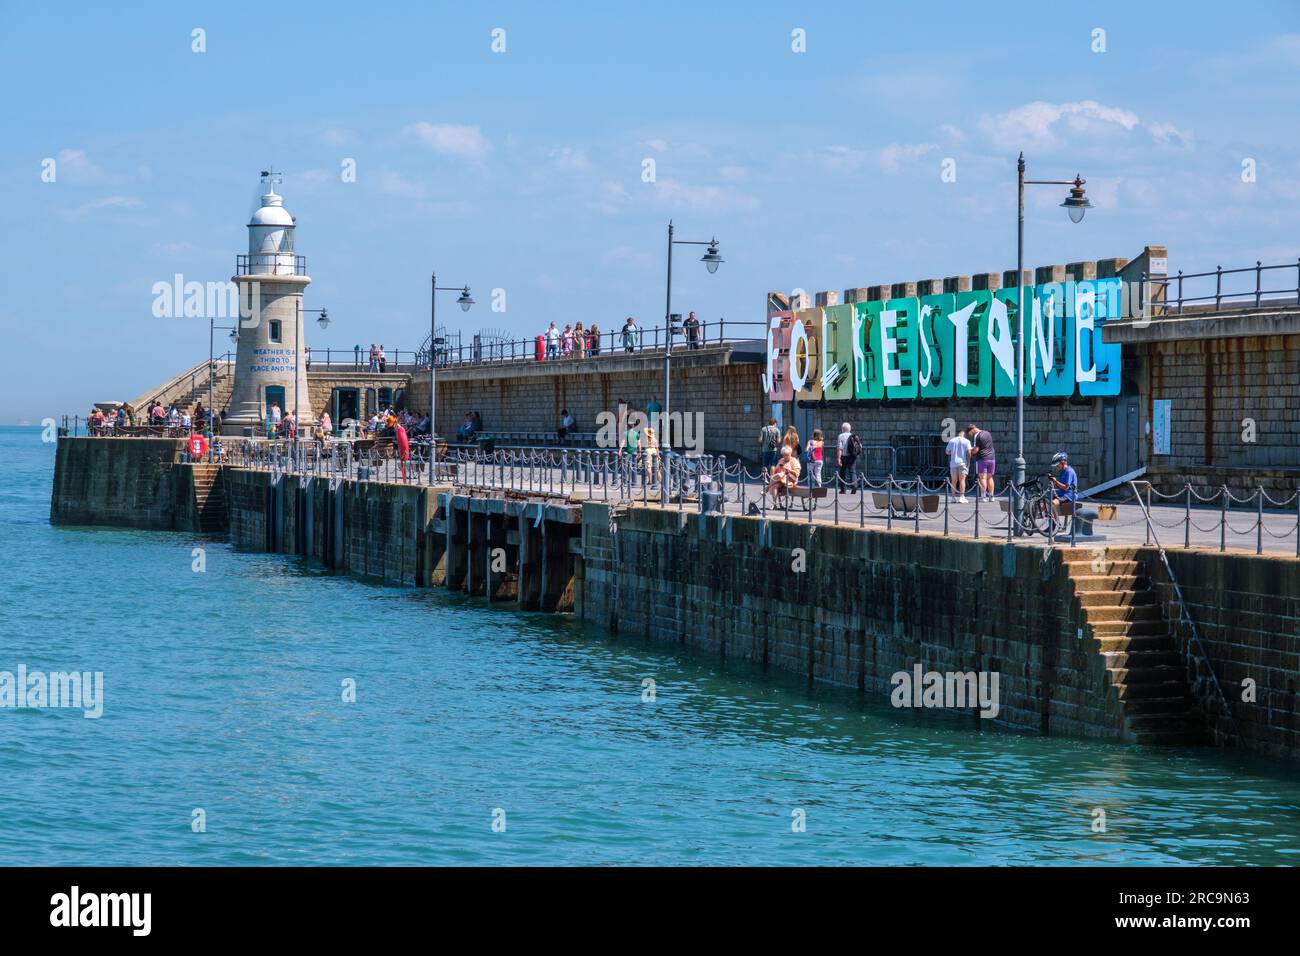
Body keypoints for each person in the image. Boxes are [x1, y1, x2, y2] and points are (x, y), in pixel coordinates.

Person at [967, 423, 996, 502]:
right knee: (990, 477)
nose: (971, 435)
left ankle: (983, 497)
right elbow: (986, 445)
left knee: (982, 478)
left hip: (983, 458)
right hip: (992, 458)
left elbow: (976, 449)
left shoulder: (977, 436)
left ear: (972, 430)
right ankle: (991, 496)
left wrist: (971, 452)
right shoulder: (987, 433)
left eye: (970, 433)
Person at [946, 428, 972, 503]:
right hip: (962, 463)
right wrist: (969, 458)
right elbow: (969, 452)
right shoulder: (967, 441)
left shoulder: (952, 440)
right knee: (962, 480)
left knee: (953, 481)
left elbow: (947, 452)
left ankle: (953, 497)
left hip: (953, 463)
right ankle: (961, 497)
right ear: (963, 434)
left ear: (958, 433)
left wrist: (953, 453)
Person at [836, 422, 860, 490]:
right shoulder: (854, 436)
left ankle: (843, 489)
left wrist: (838, 458)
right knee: (852, 472)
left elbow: (839, 448)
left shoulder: (840, 436)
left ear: (843, 429)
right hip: (852, 456)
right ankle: (854, 486)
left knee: (842, 472)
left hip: (844, 456)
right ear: (849, 429)